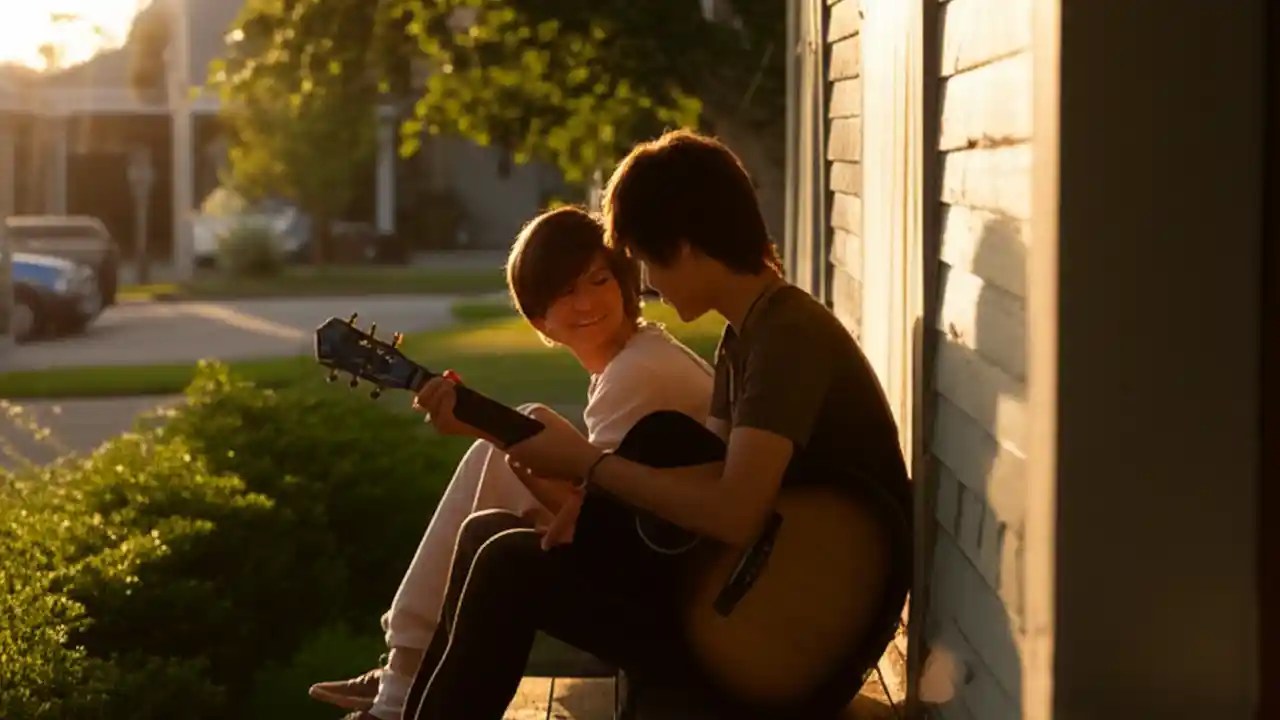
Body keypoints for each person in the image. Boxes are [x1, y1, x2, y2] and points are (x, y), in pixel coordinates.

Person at [408, 129, 912, 720]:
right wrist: (587, 490)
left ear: (686, 245)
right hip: (746, 607)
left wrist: (591, 464)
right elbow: (708, 482)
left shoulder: (788, 341)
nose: (646, 281)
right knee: (495, 530)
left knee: (508, 566)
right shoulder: (746, 339)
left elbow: (734, 511)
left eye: (647, 258)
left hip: (795, 646)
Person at [309, 205, 715, 720]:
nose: (587, 301)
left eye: (599, 280)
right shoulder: (636, 359)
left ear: (626, 285)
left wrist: (499, 440)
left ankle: (403, 676)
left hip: (689, 598)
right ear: (538, 314)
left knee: (505, 494)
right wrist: (493, 435)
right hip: (664, 561)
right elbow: (609, 508)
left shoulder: (638, 373)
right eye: (566, 290)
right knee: (519, 432)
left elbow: (596, 529)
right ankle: (405, 671)